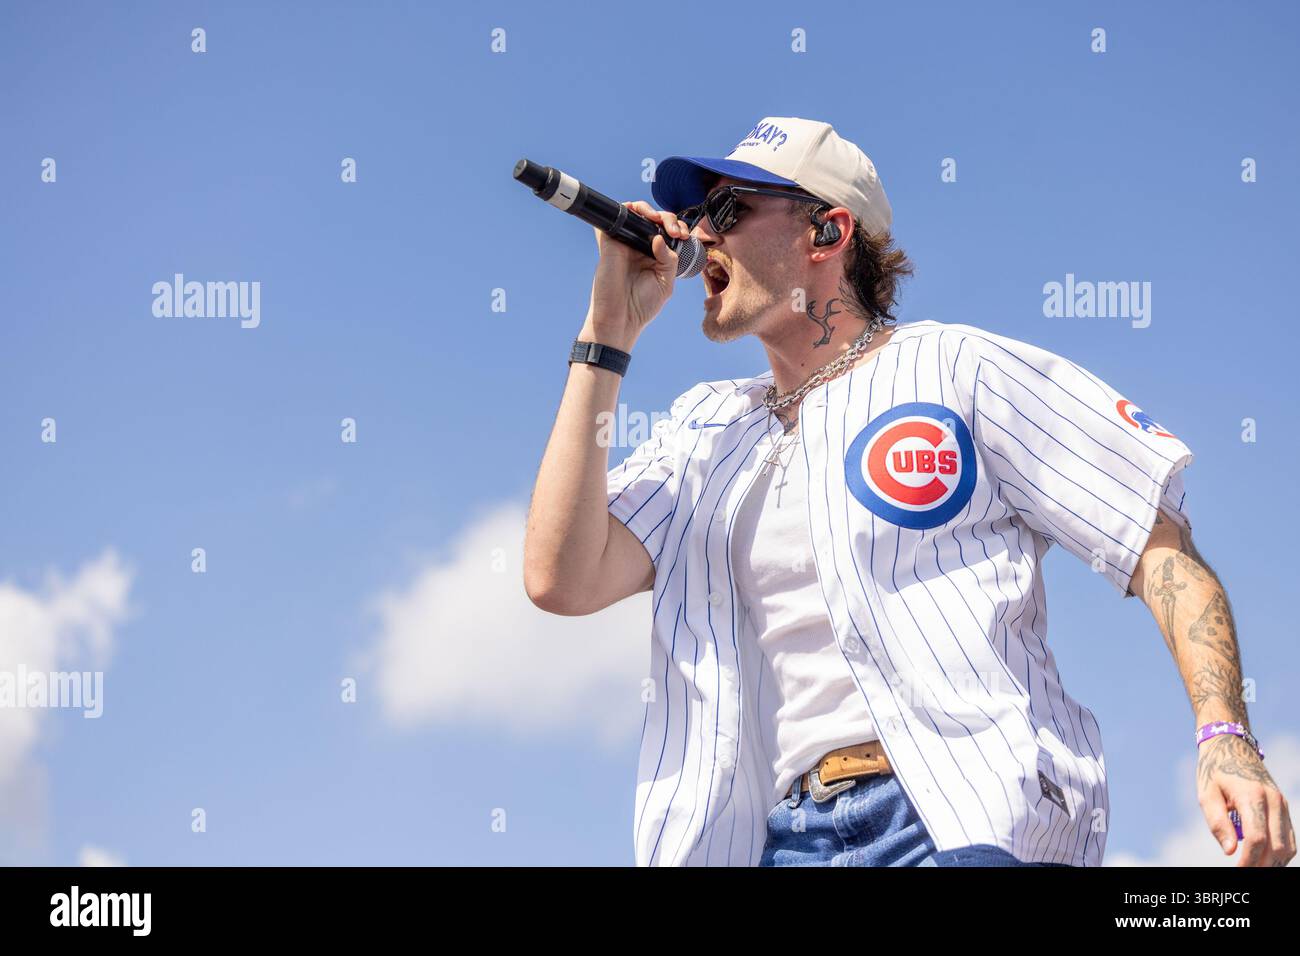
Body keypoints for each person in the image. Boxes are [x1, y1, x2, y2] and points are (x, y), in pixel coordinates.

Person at [522, 116, 1294, 867]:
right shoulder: (703, 430)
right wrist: (608, 330)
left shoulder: (959, 369)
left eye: (727, 210)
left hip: (963, 814)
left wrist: (1224, 737)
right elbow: (561, 576)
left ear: (827, 233)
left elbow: (1162, 551)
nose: (700, 235)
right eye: (695, 214)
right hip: (780, 838)